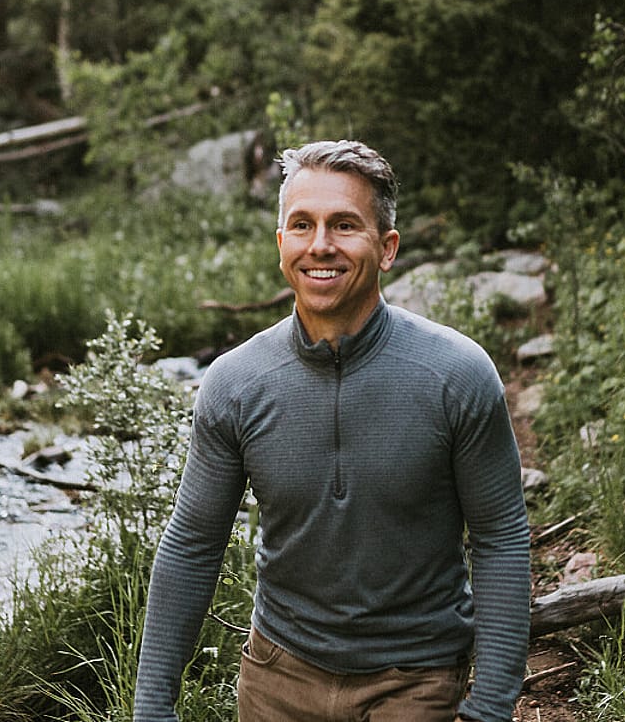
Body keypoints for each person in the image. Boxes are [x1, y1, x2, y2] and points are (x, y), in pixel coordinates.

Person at [132, 140, 530, 722]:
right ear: (282, 244)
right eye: (303, 225)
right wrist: (152, 708)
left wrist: (491, 705)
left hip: (416, 677)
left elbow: (500, 537)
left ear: (386, 247)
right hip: (277, 678)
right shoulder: (235, 383)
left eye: (344, 225)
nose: (320, 245)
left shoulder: (457, 375)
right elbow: (192, 545)